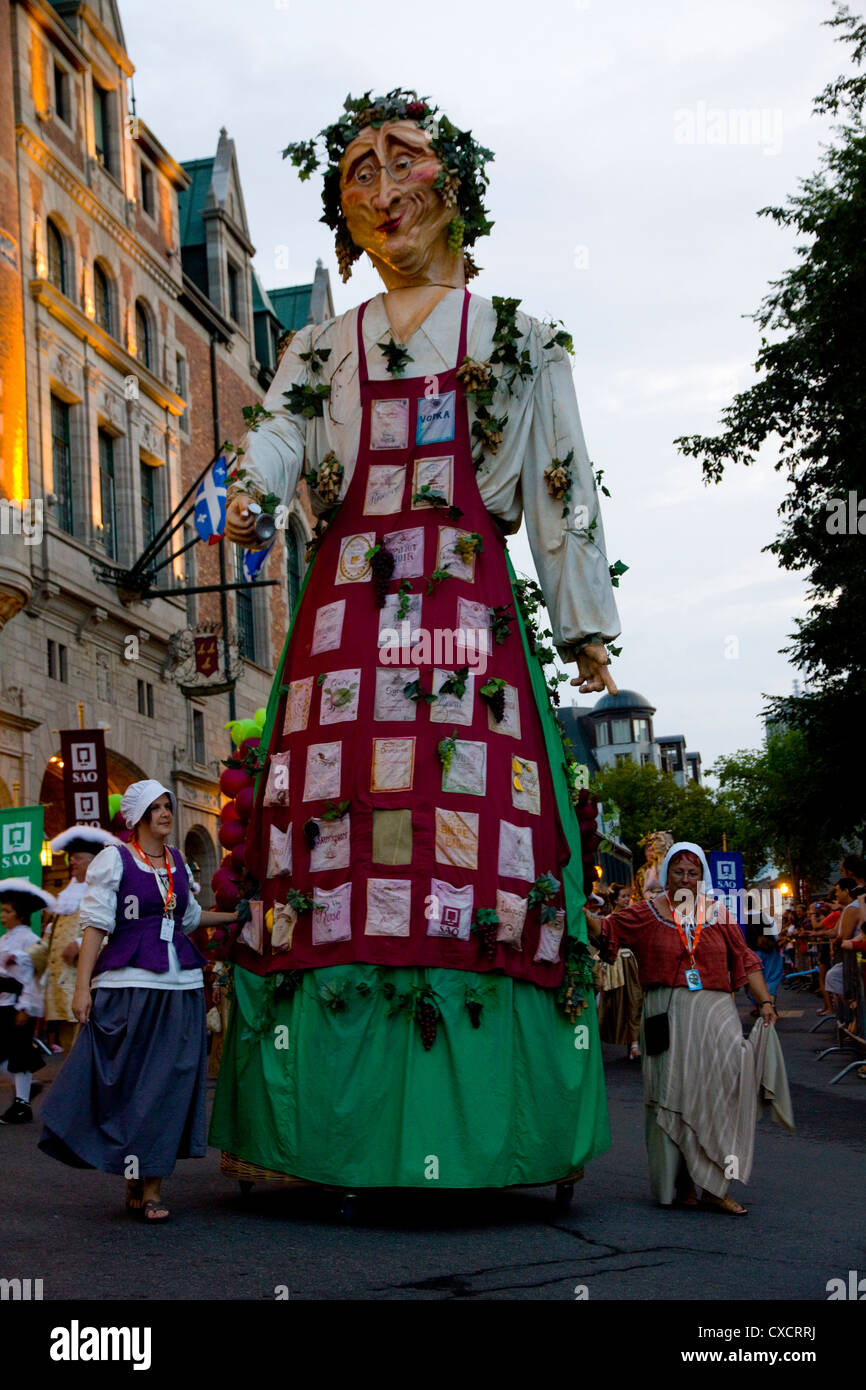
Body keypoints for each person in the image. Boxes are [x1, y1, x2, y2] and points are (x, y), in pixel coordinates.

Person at [211, 89, 622, 1192]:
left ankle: (497, 1138)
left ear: (455, 187)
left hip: (464, 631)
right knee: (330, 851)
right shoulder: (316, 346)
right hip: (343, 632)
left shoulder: (518, 340)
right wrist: (250, 494)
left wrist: (582, 621)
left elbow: (558, 483)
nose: (381, 188)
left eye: (402, 162)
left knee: (475, 854)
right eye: (357, 174)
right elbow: (281, 436)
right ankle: (315, 1139)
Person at [39, 781, 237, 1222]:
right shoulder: (115, 860)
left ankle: (151, 1188)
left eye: (168, 805)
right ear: (138, 816)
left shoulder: (178, 862)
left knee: (171, 1084)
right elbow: (95, 925)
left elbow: (187, 919)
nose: (166, 812)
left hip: (182, 986)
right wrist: (81, 987)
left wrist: (237, 915)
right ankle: (133, 1170)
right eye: (158, 807)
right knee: (130, 1083)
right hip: (128, 984)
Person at [586, 842, 793, 1215]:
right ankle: (681, 1184)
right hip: (666, 1013)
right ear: (666, 876)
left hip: (716, 1012)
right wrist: (577, 907)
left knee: (722, 1090)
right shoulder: (647, 912)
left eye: (693, 873)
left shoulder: (719, 915)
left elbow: (746, 962)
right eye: (678, 872)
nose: (685, 879)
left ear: (703, 877)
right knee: (672, 1095)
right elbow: (608, 931)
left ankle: (715, 1184)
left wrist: (765, 1002)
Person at [43, 826, 122, 1052]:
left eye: (78, 858)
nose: (72, 863)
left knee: (91, 1047)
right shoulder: (67, 896)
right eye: (71, 858)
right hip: (62, 987)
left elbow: (115, 930)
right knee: (72, 1048)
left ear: (94, 861)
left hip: (90, 983)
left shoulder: (105, 890)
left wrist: (80, 944)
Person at [0, 880, 58, 1124]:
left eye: (7, 911)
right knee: (9, 1054)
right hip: (3, 1000)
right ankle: (26, 1088)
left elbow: (35, 976)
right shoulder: (5, 939)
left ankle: (22, 1104)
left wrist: (26, 1006)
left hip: (18, 1002)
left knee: (18, 1053)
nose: (3, 916)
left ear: (20, 915)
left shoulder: (30, 939)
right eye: (2, 911)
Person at [597, 882, 643, 1060]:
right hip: (615, 964)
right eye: (623, 896)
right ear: (615, 899)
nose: (626, 900)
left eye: (627, 896)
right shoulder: (608, 920)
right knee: (613, 1006)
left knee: (635, 1001)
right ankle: (596, 1041)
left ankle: (634, 1044)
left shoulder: (634, 917)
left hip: (630, 963)